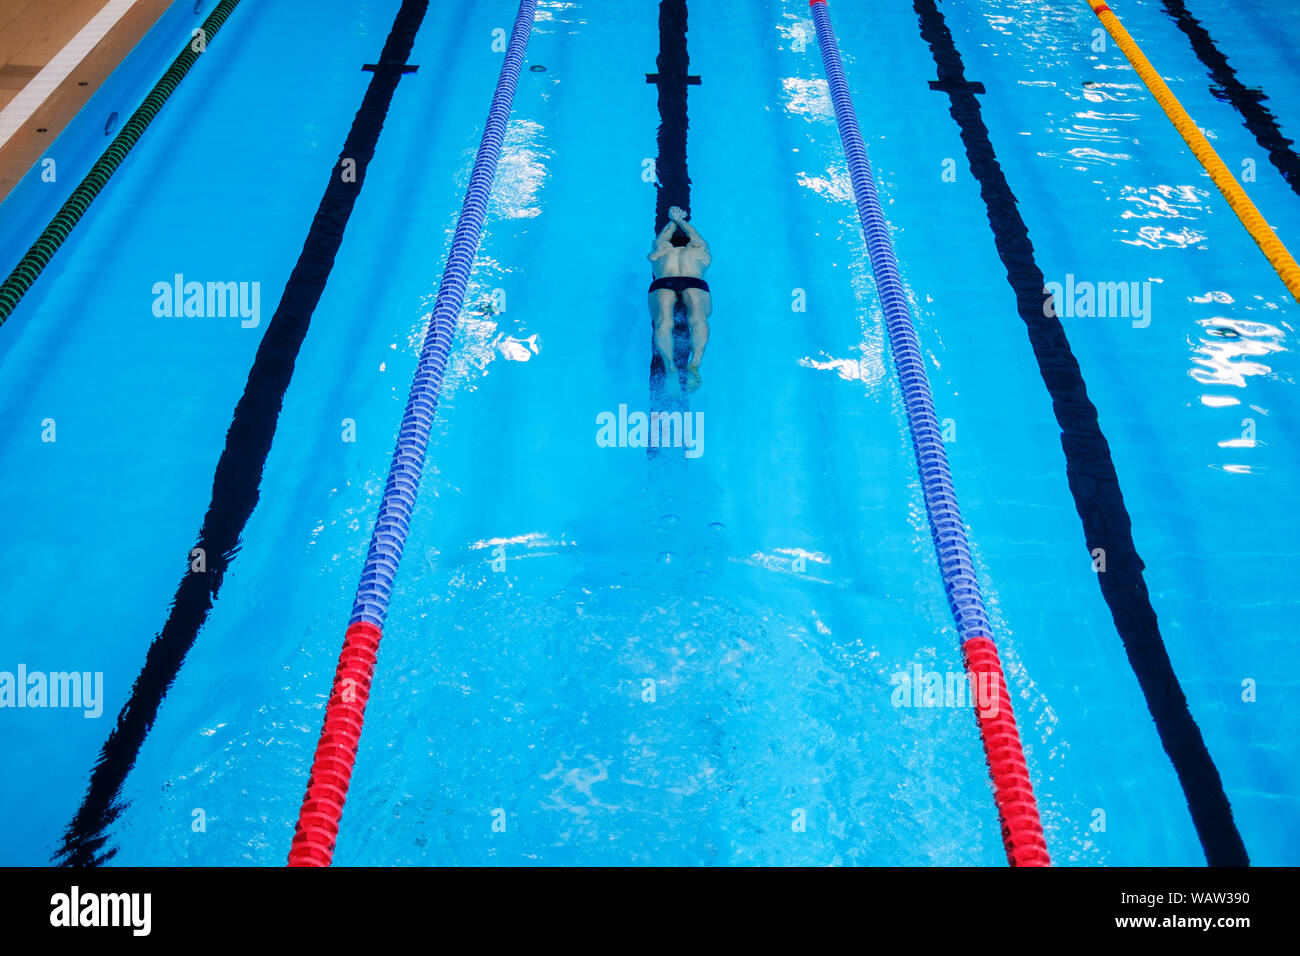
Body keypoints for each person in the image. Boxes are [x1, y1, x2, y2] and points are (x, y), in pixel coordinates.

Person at [647, 205, 712, 393]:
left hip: (664, 281)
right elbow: (696, 235)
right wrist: (681, 220)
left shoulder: (662, 249)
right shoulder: (699, 250)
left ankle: (670, 367)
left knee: (663, 322)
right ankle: (696, 363)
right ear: (690, 242)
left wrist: (672, 220)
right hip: (694, 281)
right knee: (699, 320)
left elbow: (662, 237)